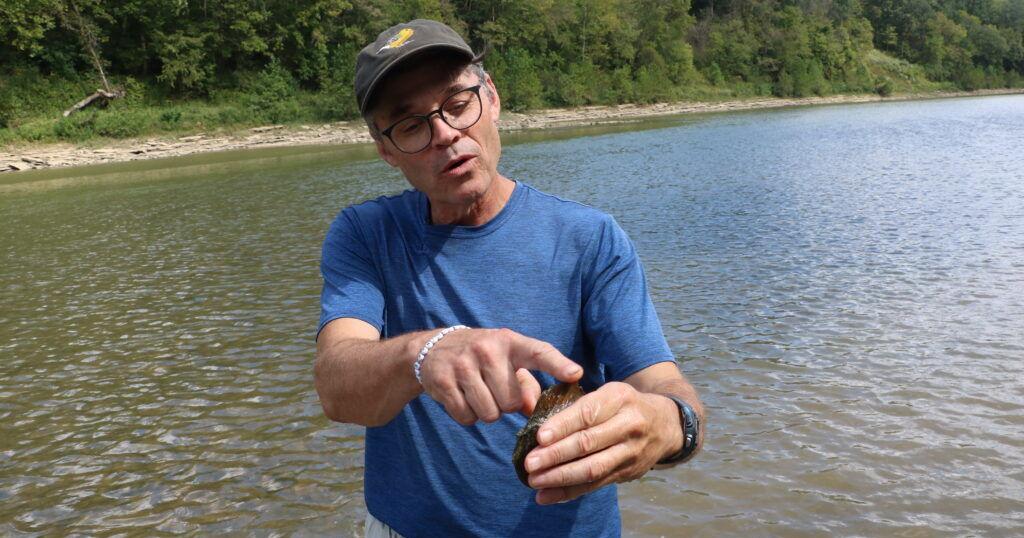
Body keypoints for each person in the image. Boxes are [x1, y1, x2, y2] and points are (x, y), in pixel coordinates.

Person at [314, 19, 705, 537]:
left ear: (491, 98)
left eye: (457, 104)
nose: (446, 134)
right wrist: (424, 354)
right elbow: (337, 386)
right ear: (385, 149)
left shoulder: (590, 239)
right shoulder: (366, 235)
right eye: (410, 126)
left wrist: (669, 424)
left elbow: (664, 385)